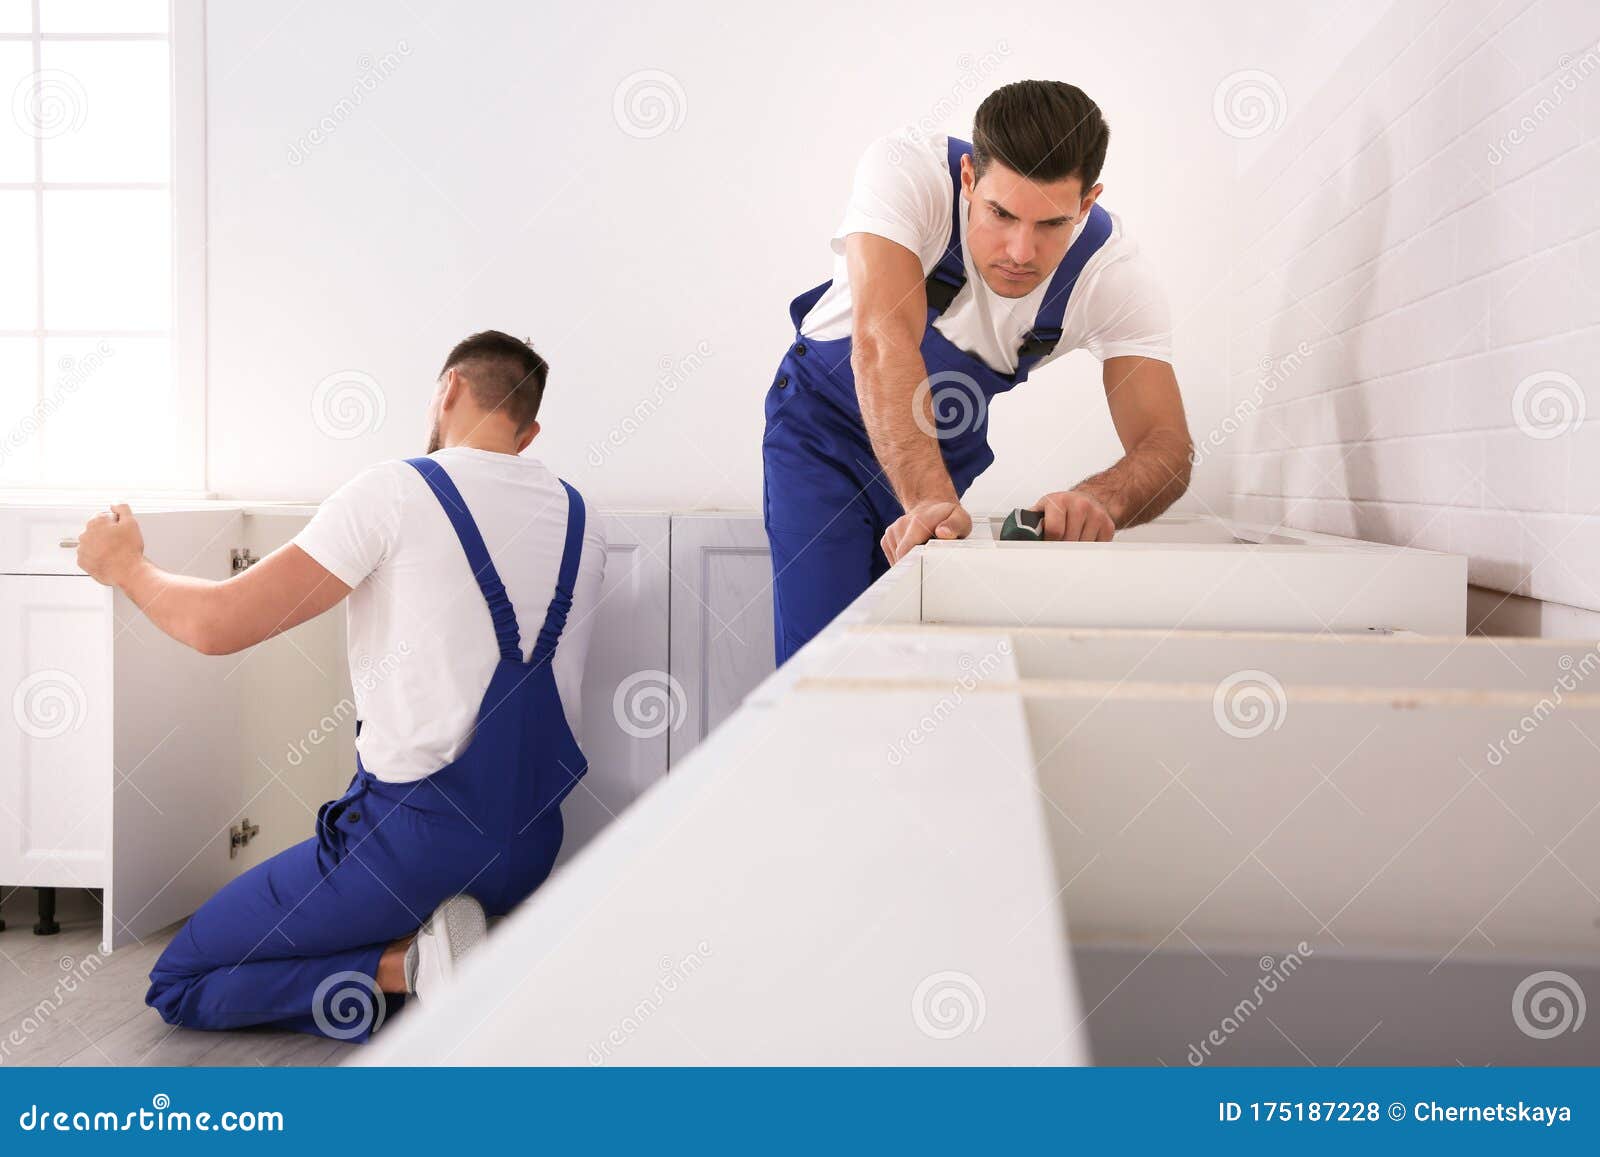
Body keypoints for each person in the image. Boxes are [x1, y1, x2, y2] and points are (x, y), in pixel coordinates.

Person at [73, 330, 606, 1040]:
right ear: (529, 430)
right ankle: (475, 938)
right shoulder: (582, 517)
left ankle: (409, 966)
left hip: (409, 850)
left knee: (182, 979)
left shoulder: (396, 490)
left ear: (448, 388)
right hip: (533, 849)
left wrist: (126, 565)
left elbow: (216, 625)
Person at [761, 80, 1194, 664]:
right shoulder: (906, 169)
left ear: (1087, 203)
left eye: (1050, 224)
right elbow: (882, 340)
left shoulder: (1113, 275)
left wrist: (1101, 500)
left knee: (907, 660)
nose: (1020, 250)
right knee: (823, 661)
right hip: (823, 434)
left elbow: (1166, 445)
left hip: (939, 449)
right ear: (968, 180)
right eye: (1000, 213)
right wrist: (928, 504)